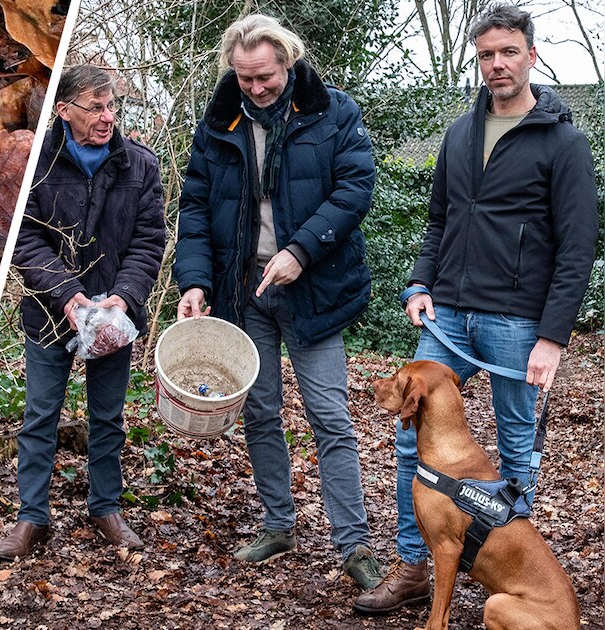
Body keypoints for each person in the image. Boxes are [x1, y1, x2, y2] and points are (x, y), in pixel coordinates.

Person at [354, 2, 598, 614]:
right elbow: (439, 220)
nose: (497, 64)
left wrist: (553, 336)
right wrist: (419, 283)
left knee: (515, 452)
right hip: (447, 318)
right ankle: (415, 566)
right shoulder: (460, 133)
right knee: (410, 444)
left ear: (531, 56)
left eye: (509, 52)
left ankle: (508, 572)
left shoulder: (564, 143)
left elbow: (577, 248)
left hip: (518, 322)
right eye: (486, 54)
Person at [173, 14, 382, 589]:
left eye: (265, 76)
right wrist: (195, 281)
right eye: (245, 78)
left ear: (288, 63)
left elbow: (354, 190)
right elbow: (195, 208)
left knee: (330, 417)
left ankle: (354, 544)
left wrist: (301, 250)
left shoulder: (334, 112)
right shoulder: (218, 122)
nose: (256, 88)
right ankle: (278, 525)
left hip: (313, 289)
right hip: (244, 291)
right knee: (259, 411)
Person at [0, 65, 166, 560]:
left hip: (113, 317)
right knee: (39, 415)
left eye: (112, 106)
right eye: (96, 107)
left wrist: (123, 298)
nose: (108, 117)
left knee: (107, 417)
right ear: (64, 110)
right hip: (49, 313)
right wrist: (67, 295)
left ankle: (105, 508)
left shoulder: (139, 165)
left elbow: (149, 240)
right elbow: (23, 238)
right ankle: (32, 517)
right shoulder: (37, 163)